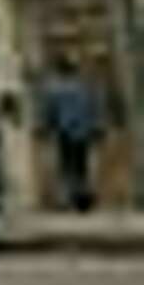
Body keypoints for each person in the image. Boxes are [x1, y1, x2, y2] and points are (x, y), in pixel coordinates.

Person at [37, 59, 102, 214]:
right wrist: (95, 127)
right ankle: (83, 198)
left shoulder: (54, 90)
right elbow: (93, 109)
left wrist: (45, 128)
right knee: (82, 165)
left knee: (66, 165)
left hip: (64, 132)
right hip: (83, 132)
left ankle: (67, 198)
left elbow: (50, 112)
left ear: (60, 72)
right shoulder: (85, 88)